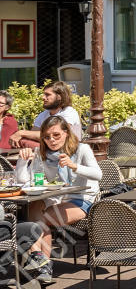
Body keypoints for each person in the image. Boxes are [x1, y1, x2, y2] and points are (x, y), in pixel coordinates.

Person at [17, 115, 101, 272]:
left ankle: (41, 264)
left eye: (56, 135)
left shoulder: (81, 149)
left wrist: (74, 166)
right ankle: (42, 264)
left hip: (82, 199)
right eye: (47, 137)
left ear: (66, 133)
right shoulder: (43, 153)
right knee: (33, 213)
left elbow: (98, 175)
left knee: (42, 219)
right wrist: (22, 161)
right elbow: (24, 179)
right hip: (55, 198)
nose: (52, 140)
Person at [13, 81, 82, 145]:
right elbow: (33, 134)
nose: (43, 97)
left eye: (47, 95)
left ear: (59, 97)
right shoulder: (43, 115)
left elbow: (55, 135)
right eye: (43, 94)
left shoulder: (69, 112)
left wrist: (22, 133)